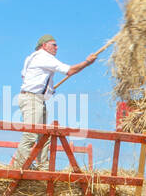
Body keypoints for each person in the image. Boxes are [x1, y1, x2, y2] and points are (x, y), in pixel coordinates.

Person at [12, 35, 98, 168]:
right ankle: (19, 167)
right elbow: (69, 71)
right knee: (31, 134)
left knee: (44, 136)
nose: (57, 47)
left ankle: (43, 167)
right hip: (33, 99)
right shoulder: (43, 57)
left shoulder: (31, 58)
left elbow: (25, 76)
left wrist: (47, 89)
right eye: (54, 44)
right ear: (44, 45)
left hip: (35, 98)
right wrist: (87, 62)